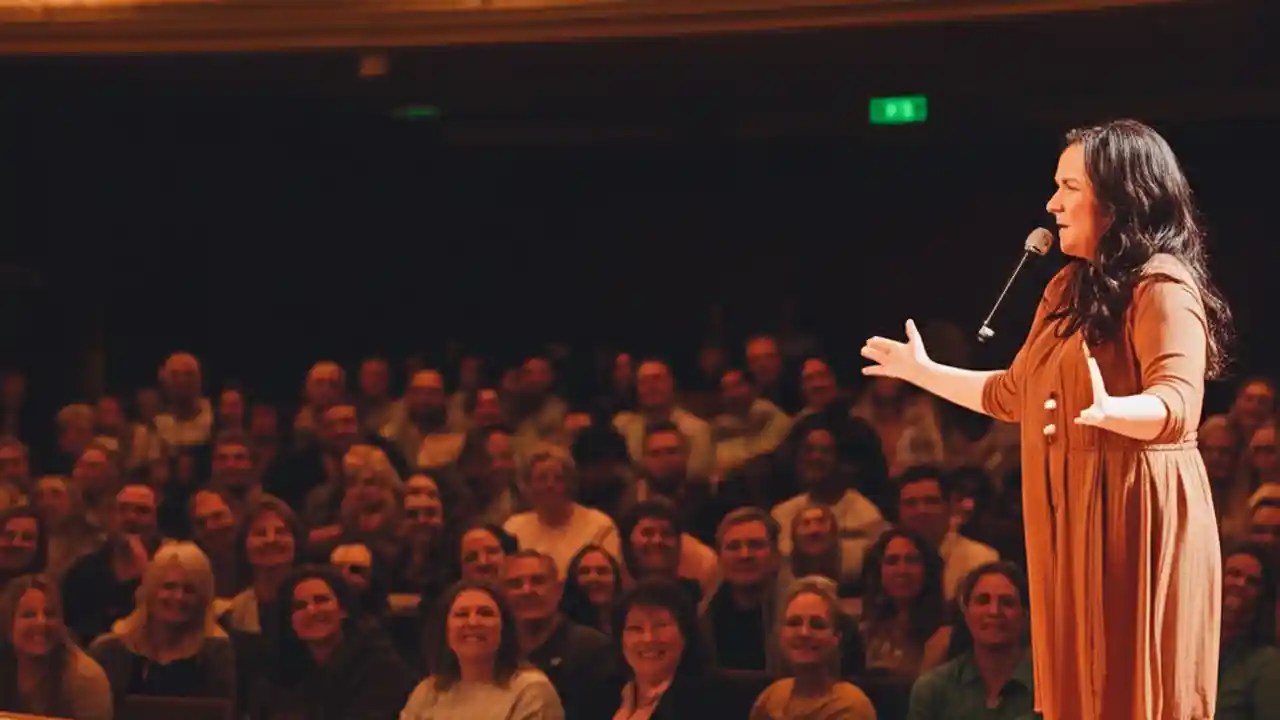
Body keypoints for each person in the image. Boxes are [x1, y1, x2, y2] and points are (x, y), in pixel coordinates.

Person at [861, 119, 1230, 720]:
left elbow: (1176, 405)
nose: (1051, 203)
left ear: (1119, 198)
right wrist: (921, 372)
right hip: (1072, 508)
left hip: (1132, 512)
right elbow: (1012, 396)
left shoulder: (1162, 284)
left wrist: (1114, 411)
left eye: (1069, 187)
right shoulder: (1064, 288)